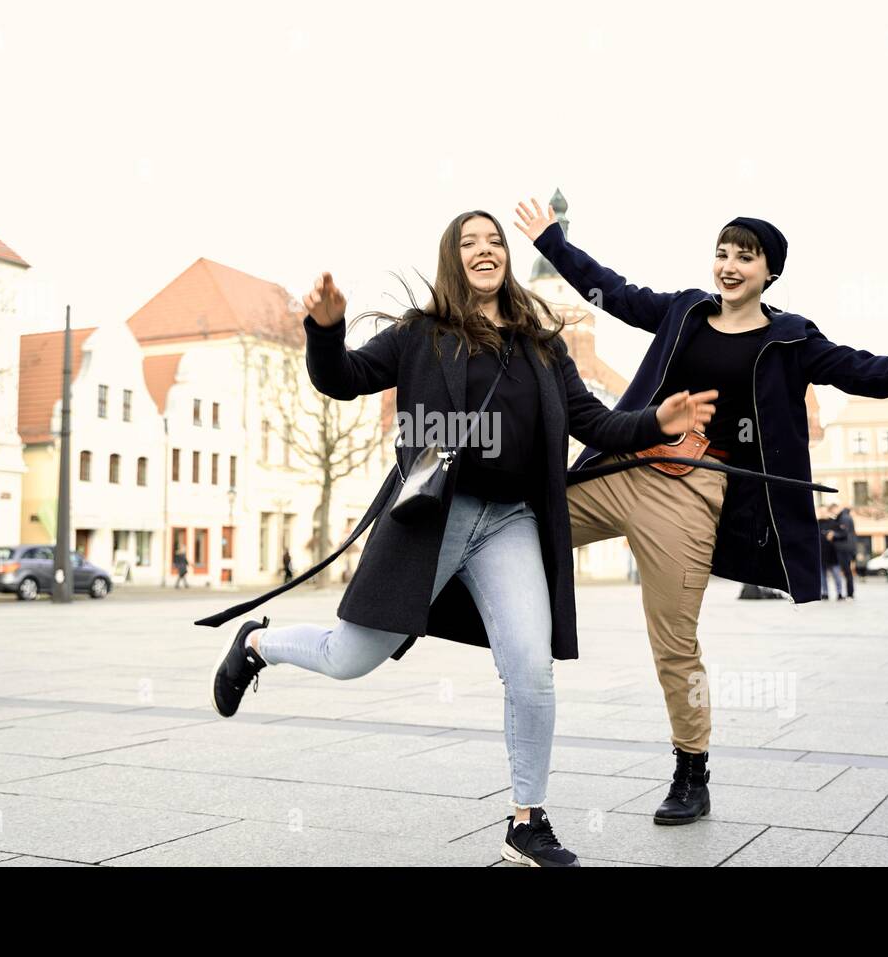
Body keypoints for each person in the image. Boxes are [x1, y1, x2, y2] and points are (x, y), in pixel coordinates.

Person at [203, 209, 717, 867]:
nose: (486, 249)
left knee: (531, 668)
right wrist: (325, 330)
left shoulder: (542, 344)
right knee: (347, 656)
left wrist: (655, 420)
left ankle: (526, 823)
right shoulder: (422, 333)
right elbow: (342, 378)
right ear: (454, 259)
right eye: (470, 242)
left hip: (510, 522)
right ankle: (256, 643)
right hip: (432, 519)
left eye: (495, 240)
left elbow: (592, 420)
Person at [513, 197, 888, 825]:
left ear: (769, 272)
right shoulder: (683, 311)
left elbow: (873, 374)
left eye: (745, 257)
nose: (729, 265)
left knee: (673, 644)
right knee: (518, 520)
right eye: (723, 252)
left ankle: (690, 772)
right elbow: (612, 292)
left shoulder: (792, 340)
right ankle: (412, 596)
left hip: (691, 493)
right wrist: (552, 241)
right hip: (628, 465)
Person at [829, 504, 857, 599]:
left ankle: (850, 594)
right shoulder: (844, 517)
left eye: (832, 511)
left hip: (844, 548)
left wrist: (834, 534)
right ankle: (850, 593)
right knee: (847, 571)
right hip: (846, 547)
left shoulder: (844, 518)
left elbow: (844, 533)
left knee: (847, 571)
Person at [818, 508, 844, 600]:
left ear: (828, 512)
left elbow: (843, 534)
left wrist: (834, 534)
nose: (822, 513)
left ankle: (840, 593)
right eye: (820, 511)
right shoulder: (816, 524)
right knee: (822, 576)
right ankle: (824, 593)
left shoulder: (833, 523)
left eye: (823, 511)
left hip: (833, 555)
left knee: (837, 575)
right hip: (821, 554)